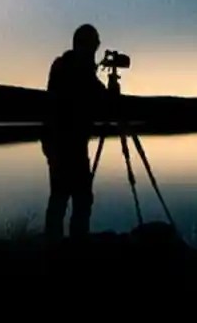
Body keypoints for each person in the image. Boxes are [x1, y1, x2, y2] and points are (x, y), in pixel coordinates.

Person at [42, 23, 115, 242]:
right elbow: (99, 98)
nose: (96, 49)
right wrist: (111, 90)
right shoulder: (76, 68)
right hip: (67, 144)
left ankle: (57, 243)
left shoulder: (65, 65)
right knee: (78, 198)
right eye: (94, 43)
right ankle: (75, 245)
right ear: (85, 44)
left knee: (61, 196)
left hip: (60, 142)